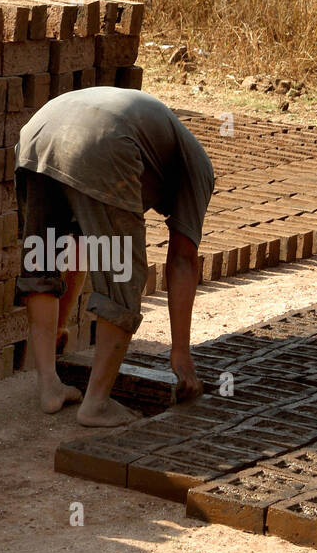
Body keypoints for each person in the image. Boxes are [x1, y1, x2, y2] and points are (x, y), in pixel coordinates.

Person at [13, 86, 215, 426]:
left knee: (43, 256)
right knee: (123, 272)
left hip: (38, 131)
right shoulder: (198, 169)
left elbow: (77, 244)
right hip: (103, 141)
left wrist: (60, 323)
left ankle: (49, 387)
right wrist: (180, 351)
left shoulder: (155, 138)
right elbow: (182, 260)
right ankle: (96, 404)